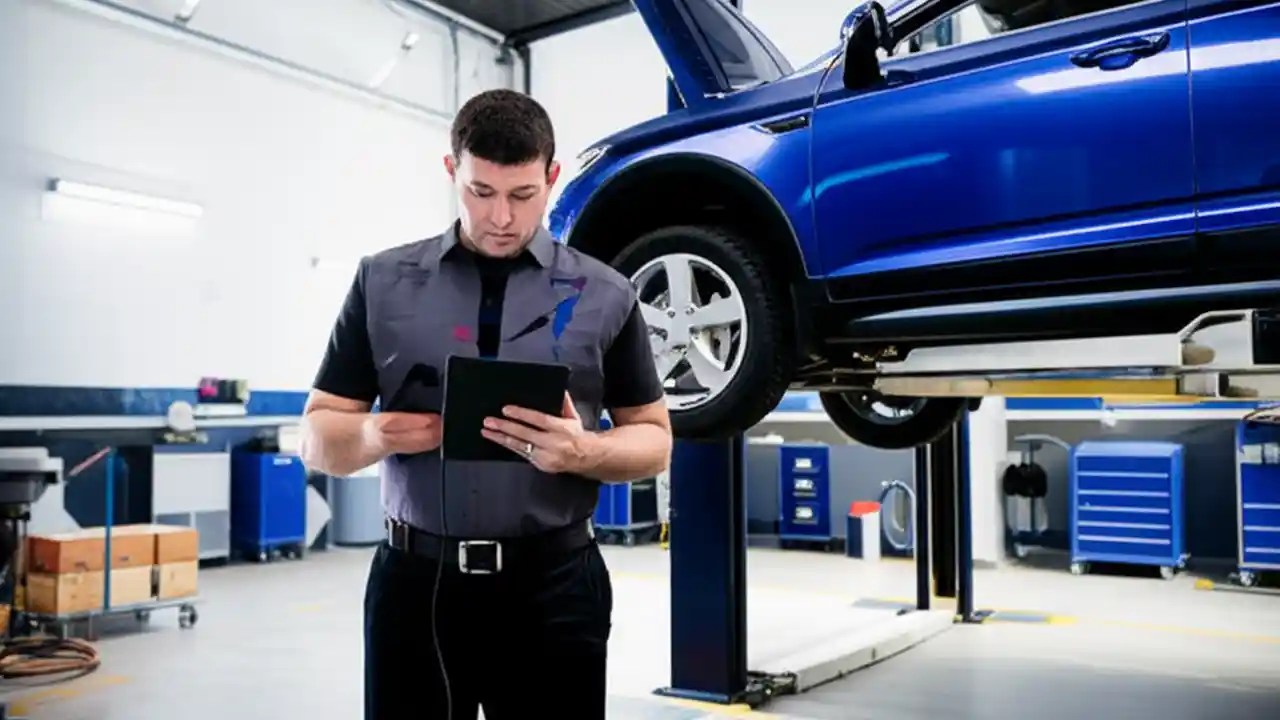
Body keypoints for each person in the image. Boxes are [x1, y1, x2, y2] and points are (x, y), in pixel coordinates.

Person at [297, 88, 673, 720]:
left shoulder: (606, 295)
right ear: (453, 171)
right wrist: (376, 436)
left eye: (523, 196)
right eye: (481, 192)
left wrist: (587, 450)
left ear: (551, 178)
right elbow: (316, 437)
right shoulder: (381, 282)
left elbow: (655, 439)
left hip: (555, 589)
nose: (501, 217)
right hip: (414, 586)